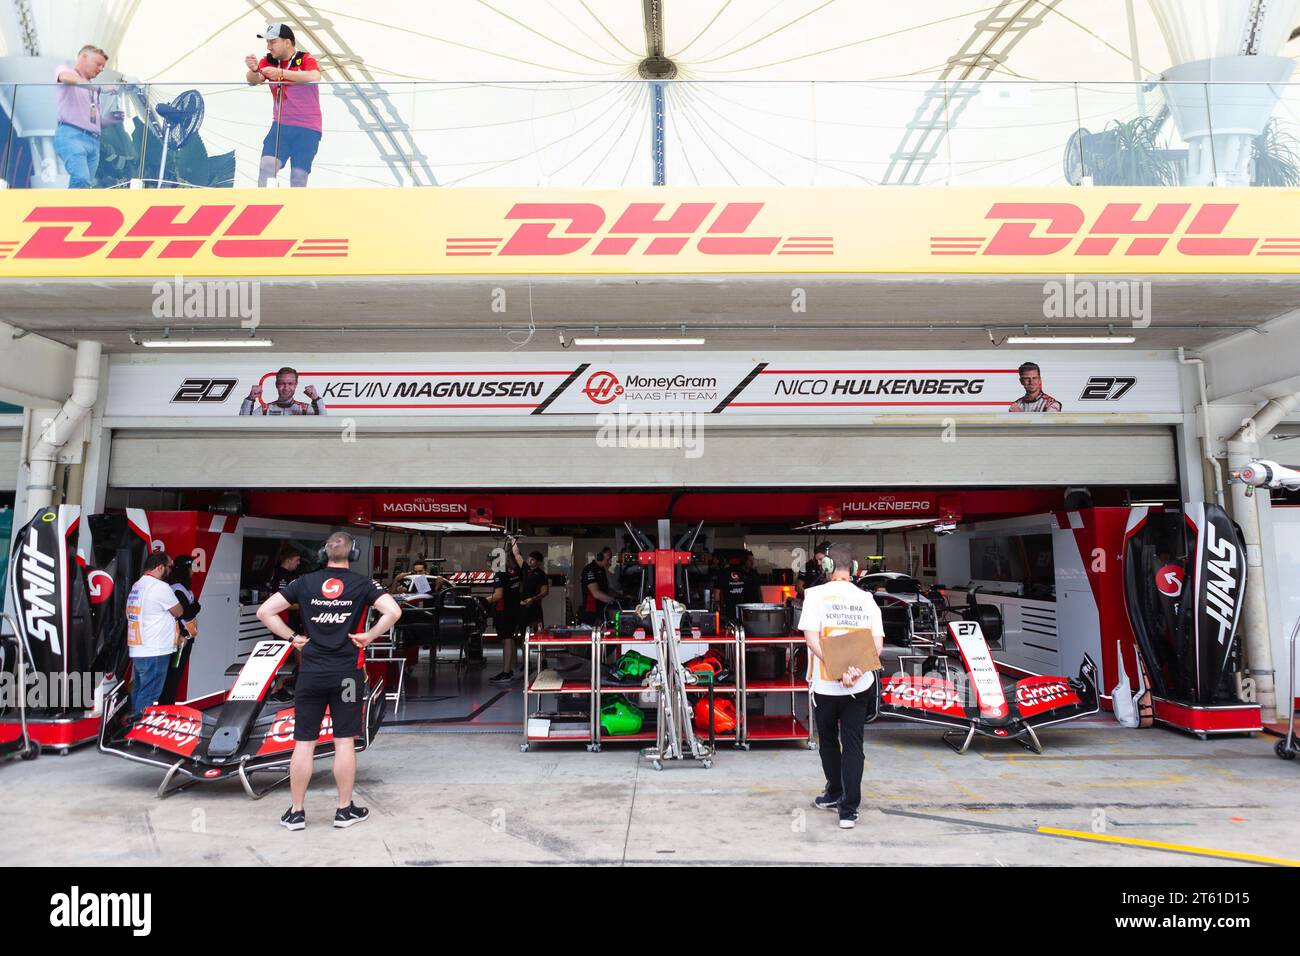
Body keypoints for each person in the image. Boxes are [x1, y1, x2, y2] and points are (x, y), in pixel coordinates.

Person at [256, 531, 401, 830]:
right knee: (344, 740)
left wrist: (294, 639)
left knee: (304, 743)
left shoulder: (303, 582)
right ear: (354, 554)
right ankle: (344, 810)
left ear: (323, 553)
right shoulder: (363, 584)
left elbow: (265, 612)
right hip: (346, 674)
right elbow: (393, 611)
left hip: (310, 673)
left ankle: (296, 812)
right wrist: (369, 637)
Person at [798, 544, 884, 831]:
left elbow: (812, 640)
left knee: (828, 741)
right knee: (853, 745)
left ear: (826, 567)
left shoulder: (815, 596)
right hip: (860, 686)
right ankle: (848, 810)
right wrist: (855, 670)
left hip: (825, 685)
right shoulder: (868, 599)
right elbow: (877, 645)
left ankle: (835, 792)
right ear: (856, 568)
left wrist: (837, 670)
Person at [244, 23, 322, 187]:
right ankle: (264, 208)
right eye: (267, 42)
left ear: (287, 42)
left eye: (273, 42)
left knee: (298, 177)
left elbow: (314, 76)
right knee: (266, 166)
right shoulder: (269, 60)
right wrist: (253, 69)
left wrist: (282, 73)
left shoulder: (304, 58)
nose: (269, 46)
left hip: (307, 128)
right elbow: (254, 79)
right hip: (281, 125)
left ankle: (296, 211)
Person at [53, 45, 124, 188]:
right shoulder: (65, 70)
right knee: (81, 179)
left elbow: (92, 121)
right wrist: (100, 88)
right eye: (98, 64)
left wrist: (108, 119)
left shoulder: (91, 88)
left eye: (103, 67)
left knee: (85, 185)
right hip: (72, 135)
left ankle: (75, 209)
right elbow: (64, 77)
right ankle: (70, 210)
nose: (101, 69)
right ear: (84, 57)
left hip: (93, 141)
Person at [125, 552, 183, 717]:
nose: (171, 571)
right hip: (155, 650)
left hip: (139, 649)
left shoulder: (137, 586)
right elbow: (179, 611)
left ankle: (132, 725)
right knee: (150, 694)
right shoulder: (160, 587)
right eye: (169, 567)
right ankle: (140, 730)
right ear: (160, 567)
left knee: (139, 690)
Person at [487, 539, 524, 684]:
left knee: (507, 640)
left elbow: (498, 595)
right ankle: (511, 667)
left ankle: (506, 672)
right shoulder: (516, 571)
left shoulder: (499, 573)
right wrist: (513, 540)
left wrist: (481, 600)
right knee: (511, 638)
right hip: (515, 609)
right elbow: (518, 555)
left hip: (504, 610)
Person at [240, 366, 326, 416]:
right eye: (282, 383)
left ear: (296, 385)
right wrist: (250, 399)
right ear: (276, 385)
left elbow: (323, 422)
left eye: (290, 383)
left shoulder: (305, 409)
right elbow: (243, 423)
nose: (286, 387)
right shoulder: (265, 409)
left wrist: (316, 399)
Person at [716, 551, 762, 621]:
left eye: (753, 560)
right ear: (744, 561)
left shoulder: (753, 574)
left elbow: (758, 590)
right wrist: (718, 606)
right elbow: (717, 592)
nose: (752, 563)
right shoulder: (729, 573)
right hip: (735, 608)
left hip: (752, 608)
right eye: (750, 560)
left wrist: (761, 603)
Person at [579, 548, 617, 626]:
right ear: (600, 557)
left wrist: (620, 596)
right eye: (608, 559)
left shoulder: (601, 570)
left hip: (601, 611)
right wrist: (614, 601)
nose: (609, 561)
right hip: (591, 613)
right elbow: (596, 593)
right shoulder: (589, 569)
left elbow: (605, 589)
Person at [519, 550, 550, 631]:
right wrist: (513, 540)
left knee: (538, 630)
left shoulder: (541, 574)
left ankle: (538, 643)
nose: (529, 560)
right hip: (522, 606)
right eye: (529, 558)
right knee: (523, 630)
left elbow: (545, 591)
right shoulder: (525, 568)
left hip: (535, 607)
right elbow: (517, 555)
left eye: (532, 559)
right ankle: (524, 644)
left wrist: (533, 599)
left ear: (538, 562)